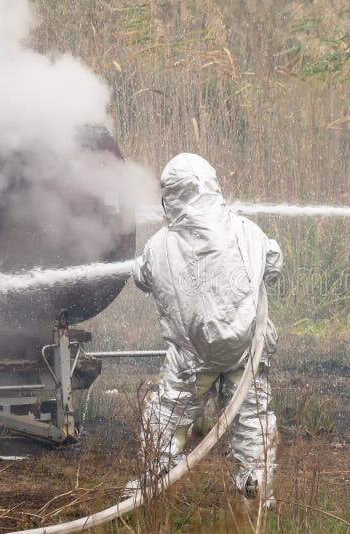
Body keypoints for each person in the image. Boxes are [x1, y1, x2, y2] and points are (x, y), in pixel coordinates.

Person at [126, 153, 282, 508]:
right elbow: (274, 263)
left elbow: (143, 277)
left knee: (168, 415)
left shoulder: (159, 246)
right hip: (245, 350)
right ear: (212, 185)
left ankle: (153, 483)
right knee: (251, 418)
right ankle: (256, 485)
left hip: (193, 357)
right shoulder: (246, 230)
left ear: (170, 196)